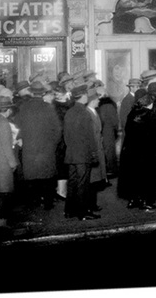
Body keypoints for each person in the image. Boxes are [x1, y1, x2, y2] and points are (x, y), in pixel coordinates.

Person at [13, 80, 62, 210]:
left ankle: (32, 203)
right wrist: (53, 144)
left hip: (29, 149)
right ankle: (48, 204)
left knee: (31, 178)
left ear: (32, 92)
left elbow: (18, 126)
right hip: (46, 149)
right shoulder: (49, 108)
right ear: (43, 93)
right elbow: (57, 130)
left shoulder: (24, 108)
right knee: (47, 177)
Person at [117, 92, 156, 211]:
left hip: (132, 151)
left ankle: (133, 200)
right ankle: (146, 201)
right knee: (147, 177)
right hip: (147, 152)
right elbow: (155, 137)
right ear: (148, 103)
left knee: (134, 176)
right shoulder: (150, 116)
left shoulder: (132, 114)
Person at [63, 84, 100, 220]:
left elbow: (66, 136)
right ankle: (82, 212)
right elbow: (89, 136)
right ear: (83, 96)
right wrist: (94, 154)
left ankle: (69, 210)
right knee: (82, 184)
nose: (87, 97)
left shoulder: (69, 112)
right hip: (83, 154)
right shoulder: (84, 113)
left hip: (71, 154)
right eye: (86, 95)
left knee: (72, 183)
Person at [86, 87, 109, 214]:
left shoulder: (94, 112)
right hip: (93, 150)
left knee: (95, 180)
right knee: (91, 179)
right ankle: (89, 205)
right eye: (96, 99)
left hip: (98, 149)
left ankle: (92, 204)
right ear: (91, 101)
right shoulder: (88, 113)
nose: (99, 101)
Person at [96, 86, 120, 179]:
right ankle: (111, 170)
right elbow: (114, 121)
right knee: (109, 151)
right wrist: (116, 128)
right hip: (108, 131)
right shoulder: (109, 105)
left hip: (102, 131)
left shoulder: (98, 105)